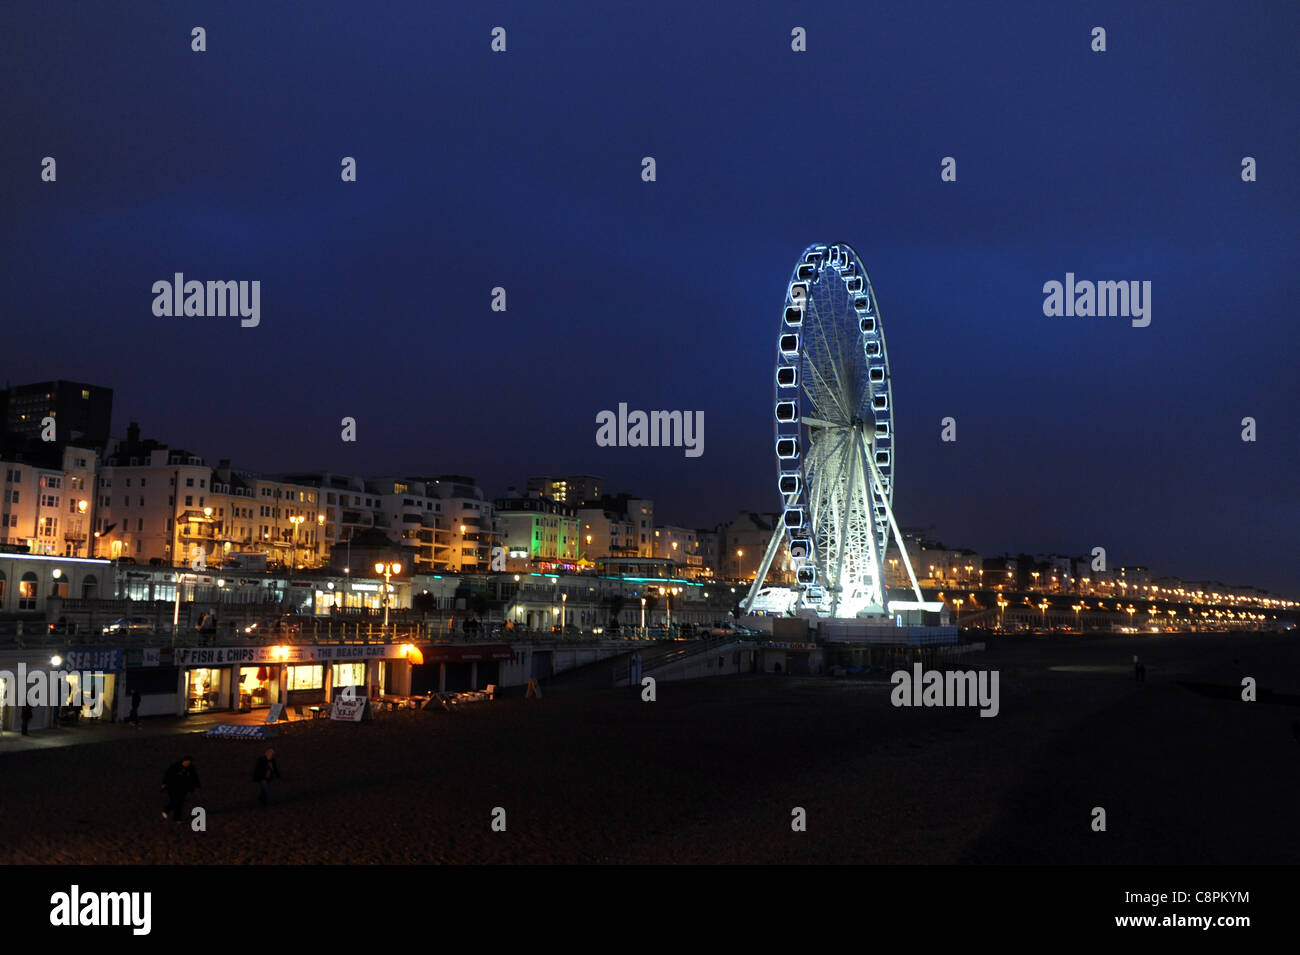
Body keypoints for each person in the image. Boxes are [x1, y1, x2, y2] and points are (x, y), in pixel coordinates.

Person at [161, 756, 201, 823]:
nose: (188, 763)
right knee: (175, 801)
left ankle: (176, 818)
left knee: (180, 802)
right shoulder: (175, 766)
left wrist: (197, 786)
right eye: (188, 762)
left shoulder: (191, 768)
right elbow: (168, 774)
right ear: (184, 761)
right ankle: (168, 811)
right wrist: (164, 783)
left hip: (183, 788)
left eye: (190, 762)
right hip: (173, 787)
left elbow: (195, 777)